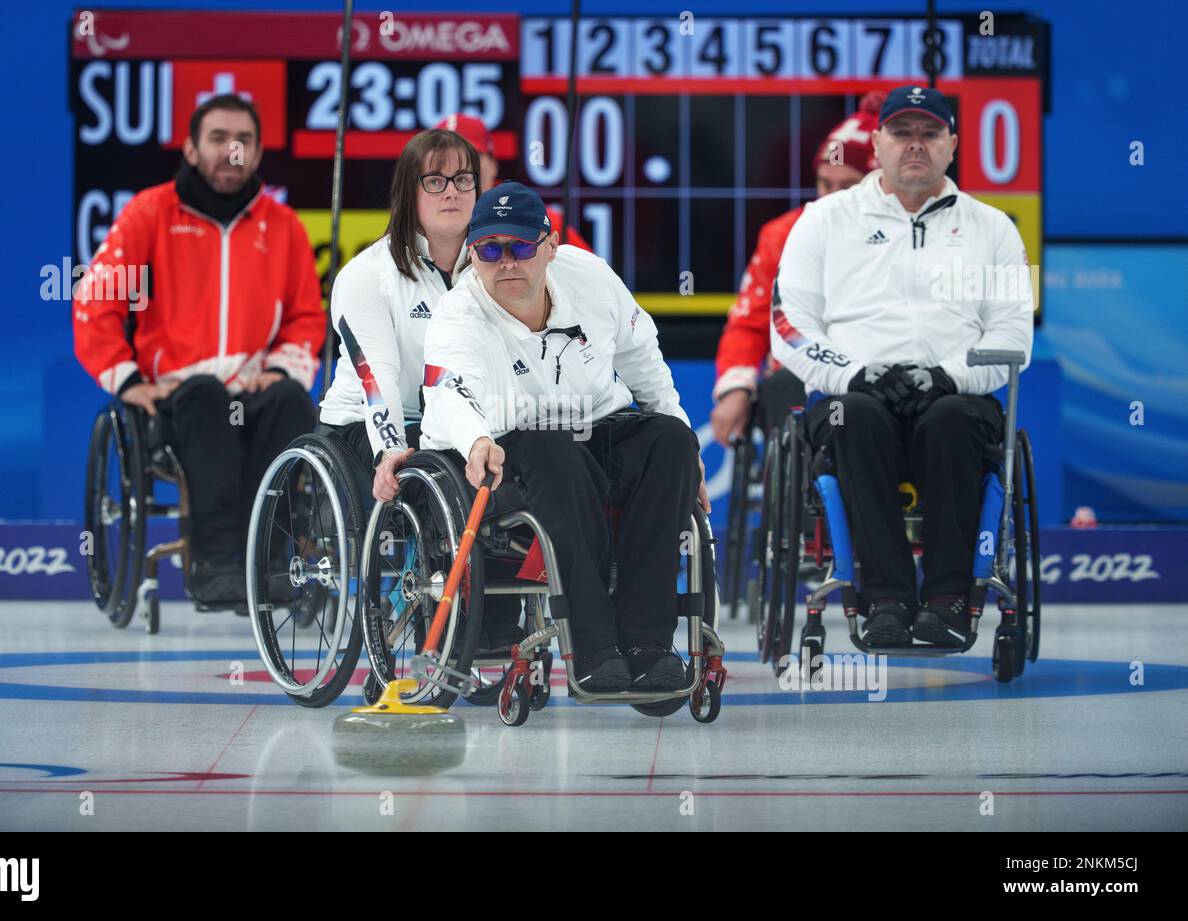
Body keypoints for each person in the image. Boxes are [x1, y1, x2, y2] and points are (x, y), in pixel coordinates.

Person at [771, 85, 1034, 647]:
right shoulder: (822, 222)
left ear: (952, 144)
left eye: (930, 133)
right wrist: (856, 374)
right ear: (877, 141)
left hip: (957, 400)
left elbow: (1014, 336)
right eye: (902, 132)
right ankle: (885, 599)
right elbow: (788, 327)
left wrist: (946, 376)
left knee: (953, 419)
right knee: (854, 417)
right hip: (852, 397)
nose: (915, 145)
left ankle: (947, 600)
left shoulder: (996, 229)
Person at [420, 181, 707, 692]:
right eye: (489, 249)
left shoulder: (590, 276)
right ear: (472, 253)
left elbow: (643, 359)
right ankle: (595, 646)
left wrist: (684, 435)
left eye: (521, 247)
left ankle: (647, 643)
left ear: (550, 246)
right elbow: (449, 391)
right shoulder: (458, 314)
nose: (506, 262)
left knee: (672, 442)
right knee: (554, 446)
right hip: (507, 449)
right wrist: (476, 439)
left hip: (597, 430)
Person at [73, 94, 324, 609]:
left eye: (244, 141)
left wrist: (280, 368)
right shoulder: (149, 213)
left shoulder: (284, 227)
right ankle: (215, 562)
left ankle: (274, 558)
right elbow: (95, 300)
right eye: (217, 138)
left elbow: (305, 318)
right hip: (177, 399)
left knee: (293, 400)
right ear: (190, 148)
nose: (230, 151)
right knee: (207, 395)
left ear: (256, 155)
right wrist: (126, 380)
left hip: (252, 393)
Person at [317, 127, 522, 653]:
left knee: (512, 460)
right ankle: (464, 628)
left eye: (462, 179)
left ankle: (498, 621)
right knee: (442, 466)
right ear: (410, 192)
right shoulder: (368, 276)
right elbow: (375, 378)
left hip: (461, 422)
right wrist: (390, 448)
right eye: (435, 180)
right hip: (371, 423)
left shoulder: (496, 269)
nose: (451, 191)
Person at [710, 92, 884, 448]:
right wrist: (736, 387)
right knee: (787, 385)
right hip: (799, 375)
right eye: (825, 184)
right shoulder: (783, 233)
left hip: (877, 374)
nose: (831, 197)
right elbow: (748, 323)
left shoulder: (906, 235)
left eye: (847, 186)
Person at [435, 113, 593, 252]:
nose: (458, 169)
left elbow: (595, 279)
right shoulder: (415, 226)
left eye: (469, 156)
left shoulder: (540, 221)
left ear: (493, 166)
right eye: (444, 161)